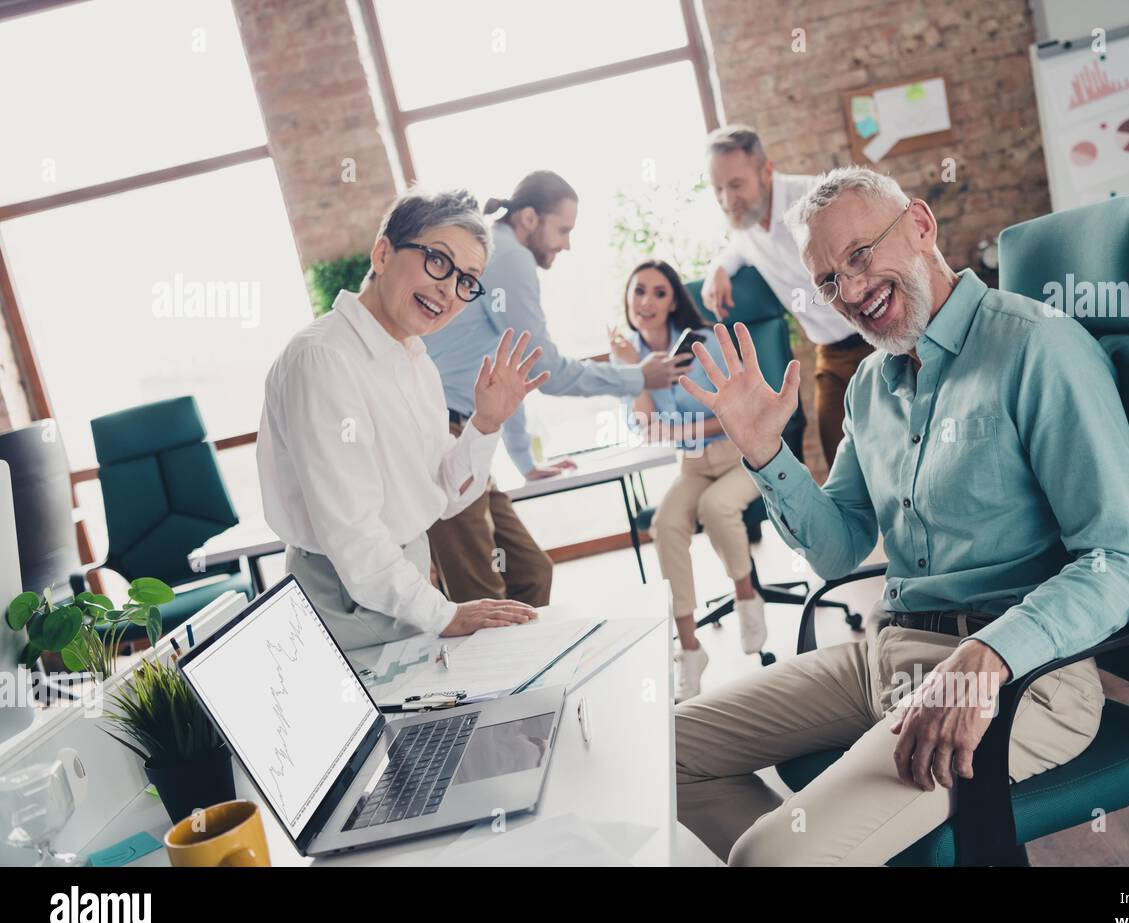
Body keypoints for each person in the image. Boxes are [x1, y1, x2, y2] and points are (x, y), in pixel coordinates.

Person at [673, 166, 1129, 865]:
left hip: (1020, 675)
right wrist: (765, 454)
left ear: (920, 224)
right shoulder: (874, 383)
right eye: (825, 281)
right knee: (669, 749)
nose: (848, 291)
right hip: (891, 653)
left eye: (859, 255)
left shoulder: (1037, 347)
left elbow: (1127, 564)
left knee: (769, 859)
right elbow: (841, 548)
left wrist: (991, 653)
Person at [258, 187, 548, 651]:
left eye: (466, 280)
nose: (448, 289)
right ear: (383, 253)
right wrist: (443, 612)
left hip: (396, 582)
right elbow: (352, 534)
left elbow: (444, 498)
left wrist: (485, 424)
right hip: (345, 598)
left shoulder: (415, 361)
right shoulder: (323, 358)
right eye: (438, 261)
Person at [423, 171, 692, 607]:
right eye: (563, 229)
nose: (566, 244)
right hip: (440, 439)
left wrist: (526, 462)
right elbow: (546, 370)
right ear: (529, 218)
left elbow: (511, 369)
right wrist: (639, 376)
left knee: (530, 574)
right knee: (484, 594)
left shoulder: (501, 251)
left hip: (465, 436)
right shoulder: (509, 258)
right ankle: (503, 677)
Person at [608, 261, 767, 701]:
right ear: (627, 297)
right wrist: (633, 371)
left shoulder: (702, 345)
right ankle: (691, 650)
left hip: (740, 456)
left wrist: (677, 431)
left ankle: (746, 596)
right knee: (666, 525)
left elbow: (736, 415)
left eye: (660, 293)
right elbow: (645, 425)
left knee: (717, 507)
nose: (647, 302)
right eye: (639, 290)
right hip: (693, 466)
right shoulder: (631, 357)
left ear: (674, 300)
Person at [701, 124, 875, 468]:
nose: (726, 200)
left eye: (736, 185)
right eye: (717, 188)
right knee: (840, 462)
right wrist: (717, 268)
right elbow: (735, 247)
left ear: (767, 170)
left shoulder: (816, 197)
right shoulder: (744, 222)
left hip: (877, 336)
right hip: (832, 354)